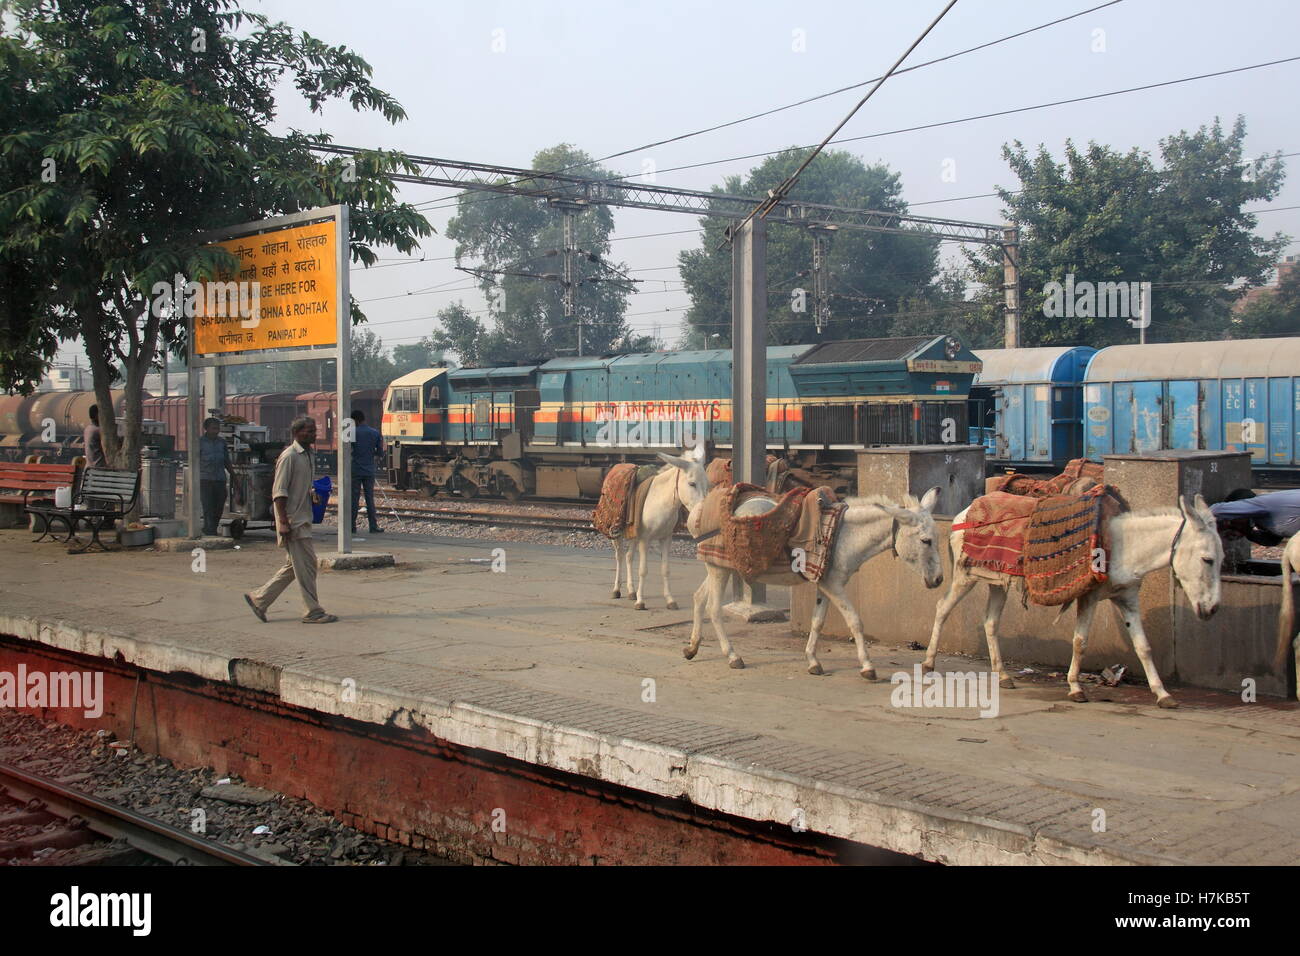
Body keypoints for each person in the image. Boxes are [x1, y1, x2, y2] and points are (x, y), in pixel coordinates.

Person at [244, 416, 337, 624]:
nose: (314, 434)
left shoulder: (308, 455)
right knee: (306, 567)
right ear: (296, 433)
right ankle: (312, 611)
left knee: (296, 565)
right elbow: (279, 493)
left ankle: (259, 598)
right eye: (309, 431)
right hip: (293, 520)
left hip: (303, 517)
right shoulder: (290, 456)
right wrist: (283, 522)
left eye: (314, 430)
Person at [199, 418, 236, 536]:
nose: (216, 431)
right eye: (213, 428)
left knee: (219, 506)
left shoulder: (222, 443)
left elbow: (227, 461)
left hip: (220, 479)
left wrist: (234, 478)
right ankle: (210, 530)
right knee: (208, 506)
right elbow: (194, 461)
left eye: (217, 428)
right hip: (205, 479)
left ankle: (212, 528)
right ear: (206, 428)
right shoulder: (199, 442)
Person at [349, 408, 384, 534]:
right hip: (369, 470)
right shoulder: (375, 433)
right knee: (370, 499)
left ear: (355, 420)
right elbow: (380, 452)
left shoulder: (352, 432)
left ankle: (351, 526)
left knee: (354, 499)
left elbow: (348, 451)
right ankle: (373, 526)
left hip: (355, 470)